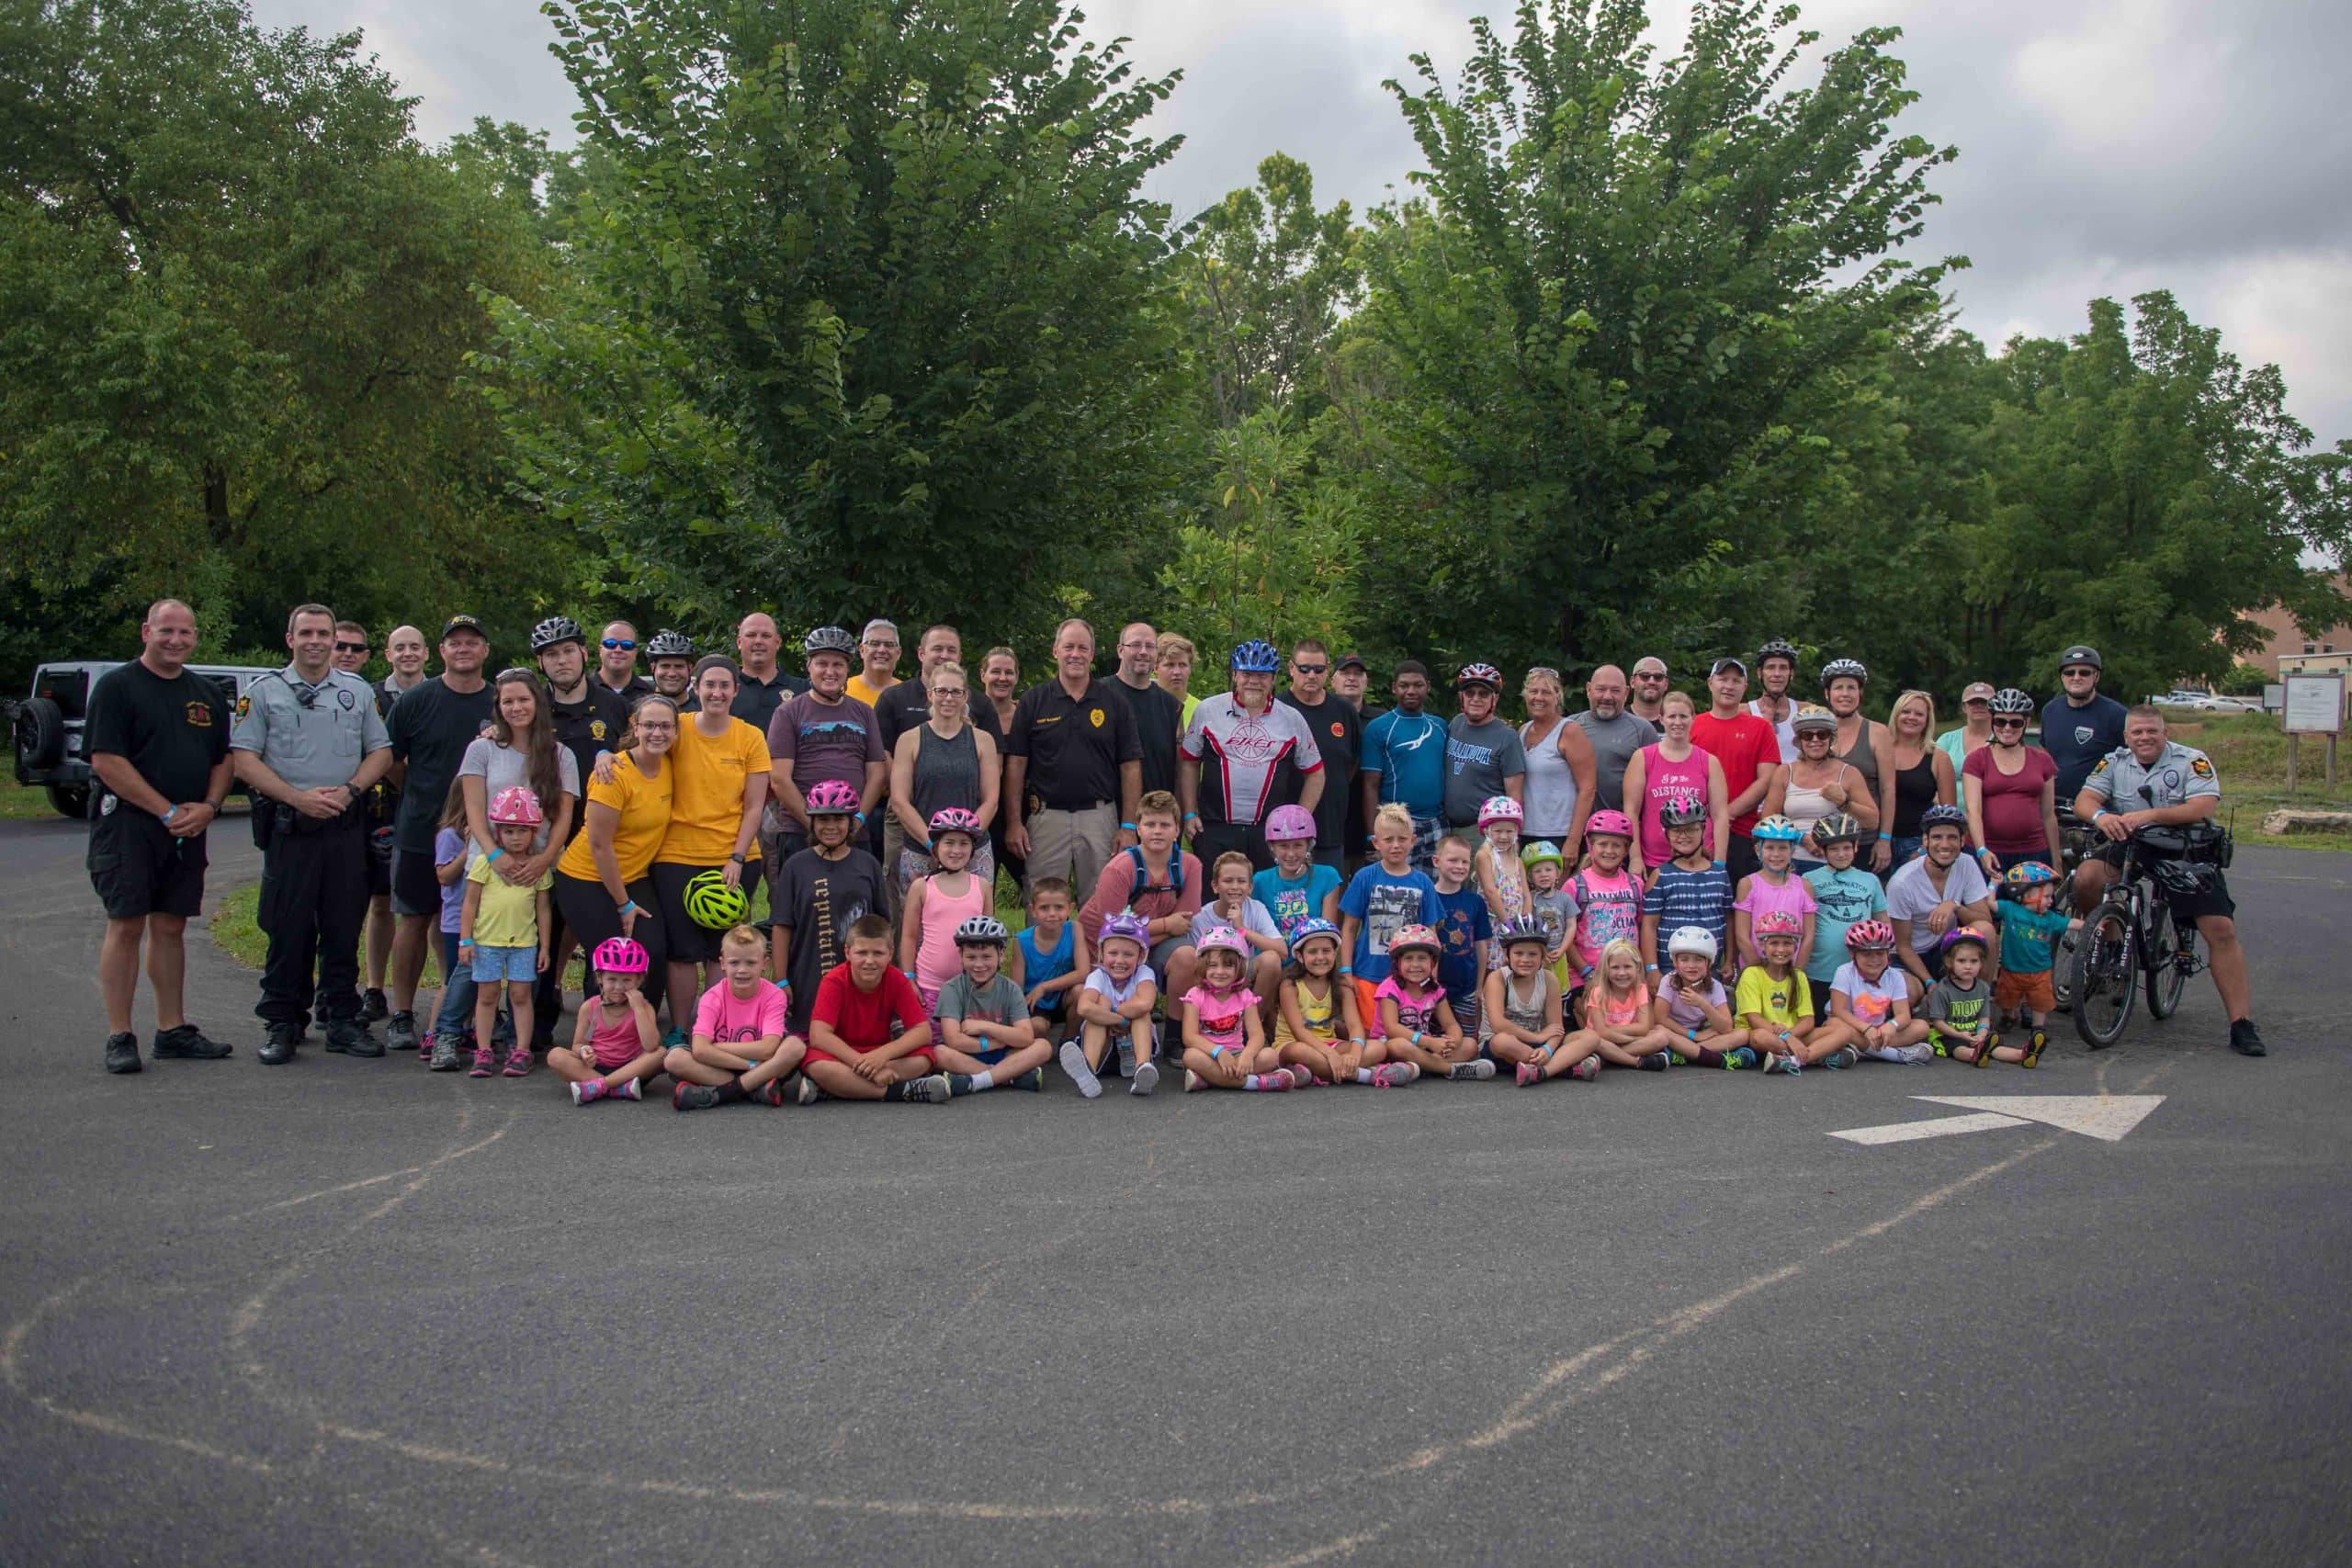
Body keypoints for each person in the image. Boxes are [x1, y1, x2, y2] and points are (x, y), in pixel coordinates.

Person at [232, 604, 394, 1065]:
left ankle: (341, 1017)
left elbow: (380, 752)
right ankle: (283, 1021)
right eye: (307, 633)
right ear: (291, 639)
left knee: (344, 925)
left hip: (345, 827)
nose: (317, 641)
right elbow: (244, 759)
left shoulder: (358, 692)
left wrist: (349, 791)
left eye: (325, 633)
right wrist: (296, 798)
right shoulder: (264, 693)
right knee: (288, 927)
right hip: (291, 829)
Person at [85, 598, 236, 1074]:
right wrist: (165, 809)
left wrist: (209, 808)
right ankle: (119, 1035)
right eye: (166, 631)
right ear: (146, 631)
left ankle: (172, 1030)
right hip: (130, 824)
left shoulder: (207, 693)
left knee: (171, 927)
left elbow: (223, 760)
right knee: (127, 923)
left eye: (185, 633)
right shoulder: (117, 687)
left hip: (188, 826)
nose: (176, 640)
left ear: (195, 637)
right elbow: (106, 760)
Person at [2071, 704, 2267, 1056]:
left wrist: (2151, 815)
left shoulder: (2191, 760)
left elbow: (2204, 806)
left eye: (2152, 731)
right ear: (2126, 736)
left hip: (2183, 847)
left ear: (2165, 733)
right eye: (2137, 732)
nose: (2144, 737)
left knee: (2220, 928)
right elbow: (2085, 800)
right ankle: (2112, 940)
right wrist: (2101, 817)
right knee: (2086, 878)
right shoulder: (2114, 761)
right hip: (2129, 843)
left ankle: (2241, 1023)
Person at [384, 616, 496, 1055]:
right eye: (455, 643)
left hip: (483, 836)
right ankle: (402, 1013)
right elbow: (391, 760)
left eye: (473, 641)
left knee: (469, 926)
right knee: (413, 920)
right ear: (442, 650)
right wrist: (419, 796)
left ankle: (461, 1015)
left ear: (486, 650)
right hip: (420, 830)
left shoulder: (499, 701)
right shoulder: (416, 700)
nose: (464, 649)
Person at [647, 657, 771, 1035]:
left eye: (724, 686)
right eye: (709, 685)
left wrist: (736, 855)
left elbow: (754, 806)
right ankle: (682, 1031)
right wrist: (605, 757)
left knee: (723, 950)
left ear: (735, 690)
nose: (716, 693)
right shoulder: (677, 729)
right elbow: (638, 753)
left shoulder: (750, 737)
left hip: (735, 860)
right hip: (676, 858)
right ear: (695, 688)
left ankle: (718, 1029)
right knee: (682, 952)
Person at [458, 670, 580, 1053]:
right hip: (488, 868)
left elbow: (563, 816)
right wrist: (494, 855)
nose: (516, 707)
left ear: (538, 704)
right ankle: (455, 1034)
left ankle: (523, 1042)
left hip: (539, 871)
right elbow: (474, 810)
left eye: (523, 700)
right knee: (477, 961)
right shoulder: (482, 750)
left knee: (533, 958)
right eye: (507, 701)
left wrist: (544, 859)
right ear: (498, 707)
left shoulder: (561, 755)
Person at [532, 615, 628, 1045]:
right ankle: (537, 1018)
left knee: (598, 931)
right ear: (541, 663)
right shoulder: (531, 706)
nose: (561, 660)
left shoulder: (612, 705)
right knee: (541, 930)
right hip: (541, 834)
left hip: (599, 837)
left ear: (584, 654)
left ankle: (603, 1027)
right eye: (551, 655)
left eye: (568, 651)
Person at [552, 693, 675, 1011]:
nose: (657, 733)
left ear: (676, 731)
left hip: (633, 875)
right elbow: (598, 845)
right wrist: (623, 904)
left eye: (665, 726)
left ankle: (639, 1028)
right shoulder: (614, 774)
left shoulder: (670, 765)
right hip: (585, 876)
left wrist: (602, 750)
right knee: (612, 956)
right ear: (635, 727)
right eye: (648, 725)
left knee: (653, 951)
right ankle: (599, 1031)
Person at [1005, 618, 1143, 897]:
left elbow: (1130, 767)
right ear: (1055, 650)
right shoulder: (1034, 700)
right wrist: (1013, 822)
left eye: (1083, 648)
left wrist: (1128, 825)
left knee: (1101, 905)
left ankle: (1094, 945)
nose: (1075, 654)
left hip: (1100, 818)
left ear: (1092, 654)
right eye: (1069, 647)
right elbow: (1016, 766)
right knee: (1042, 903)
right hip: (1046, 819)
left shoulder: (1114, 702)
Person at [876, 626, 1004, 898]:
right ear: (930, 695)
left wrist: (962, 844)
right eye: (942, 691)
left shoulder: (982, 741)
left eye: (956, 692)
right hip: (921, 848)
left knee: (972, 929)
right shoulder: (910, 740)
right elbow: (899, 800)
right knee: (917, 928)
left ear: (965, 696)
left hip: (973, 849)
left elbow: (991, 799)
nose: (948, 697)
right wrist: (934, 844)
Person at [1180, 638, 1325, 872]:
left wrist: (1299, 818)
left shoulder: (1292, 718)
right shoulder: (1208, 709)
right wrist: (1189, 812)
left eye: (1263, 675)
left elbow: (1316, 773)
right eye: (1247, 674)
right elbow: (1189, 762)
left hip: (1268, 831)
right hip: (1215, 826)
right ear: (1235, 675)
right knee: (1215, 900)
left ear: (1274, 678)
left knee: (1264, 902)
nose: (1254, 682)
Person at [768, 779, 887, 1034]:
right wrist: (780, 979)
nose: (830, 826)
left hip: (859, 975)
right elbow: (781, 925)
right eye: (823, 820)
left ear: (850, 822)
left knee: (857, 1034)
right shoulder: (796, 866)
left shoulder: (868, 865)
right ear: (811, 823)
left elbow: (883, 926)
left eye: (838, 819)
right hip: (807, 975)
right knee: (810, 1037)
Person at [766, 626, 886, 875]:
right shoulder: (788, 712)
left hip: (854, 829)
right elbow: (779, 778)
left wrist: (857, 821)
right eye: (822, 664)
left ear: (847, 670)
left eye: (838, 665)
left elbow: (876, 773)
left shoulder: (864, 712)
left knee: (857, 906)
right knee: (800, 907)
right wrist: (814, 824)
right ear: (809, 666)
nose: (830, 672)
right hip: (801, 830)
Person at [457, 786, 553, 1077]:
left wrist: (545, 947)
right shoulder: (484, 864)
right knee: (486, 996)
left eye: (522, 831)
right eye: (509, 831)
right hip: (487, 942)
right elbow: (469, 903)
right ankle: (484, 1049)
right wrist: (466, 939)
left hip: (524, 944)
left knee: (521, 995)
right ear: (498, 832)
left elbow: (543, 910)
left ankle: (521, 1049)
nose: (516, 837)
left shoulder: (538, 870)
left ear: (533, 833)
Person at [803, 915, 945, 1103]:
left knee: (925, 1058)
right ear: (847, 952)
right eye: (861, 953)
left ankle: (836, 1088)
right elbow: (819, 1036)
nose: (869, 961)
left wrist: (881, 1056)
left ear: (890, 953)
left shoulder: (897, 980)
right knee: (817, 1066)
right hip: (843, 1054)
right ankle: (902, 1091)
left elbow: (922, 1032)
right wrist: (864, 1065)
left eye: (878, 953)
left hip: (880, 1053)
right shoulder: (833, 981)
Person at [1075, 791, 1202, 1001]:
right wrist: (1165, 925)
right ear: (1139, 829)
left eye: (1165, 825)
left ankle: (1175, 1030)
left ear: (1177, 829)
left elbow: (1182, 924)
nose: (1157, 831)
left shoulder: (1190, 865)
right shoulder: (1119, 868)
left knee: (1187, 956)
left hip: (1151, 943)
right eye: (1150, 824)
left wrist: (1149, 932)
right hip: (1101, 947)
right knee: (1101, 1003)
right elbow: (1112, 929)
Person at [331, 621, 397, 1022]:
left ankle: (372, 990)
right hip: (328, 814)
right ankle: (332, 997)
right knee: (339, 909)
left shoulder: (370, 698)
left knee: (383, 902)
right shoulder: (364, 694)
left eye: (357, 648)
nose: (348, 653)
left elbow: (389, 756)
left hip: (381, 811)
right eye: (341, 646)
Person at [664, 924, 805, 1111]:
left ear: (765, 963)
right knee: (674, 1059)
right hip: (733, 1066)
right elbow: (699, 1051)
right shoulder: (711, 997)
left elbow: (768, 1048)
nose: (742, 970)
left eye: (750, 963)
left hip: (754, 1060)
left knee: (795, 1046)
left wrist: (717, 1047)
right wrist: (750, 1066)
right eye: (734, 963)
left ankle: (720, 1094)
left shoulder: (774, 995)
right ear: (722, 964)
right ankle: (756, 1087)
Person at [1338, 804, 1443, 1029]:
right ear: (1376, 842)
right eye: (1388, 840)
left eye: (1402, 839)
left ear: (1412, 840)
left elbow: (1431, 934)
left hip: (1410, 980)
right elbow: (1348, 928)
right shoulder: (1364, 877)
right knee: (1372, 1034)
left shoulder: (1423, 882)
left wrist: (1432, 975)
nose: (1396, 846)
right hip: (1368, 974)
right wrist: (1346, 970)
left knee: (1403, 1036)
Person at [1275, 918, 1408, 1088]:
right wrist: (1329, 1054)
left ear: (1334, 953)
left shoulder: (1342, 985)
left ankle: (1318, 1073)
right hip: (1295, 1044)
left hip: (1330, 1044)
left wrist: (1354, 1052)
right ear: (1300, 956)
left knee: (1378, 1048)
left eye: (1326, 951)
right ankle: (1367, 1075)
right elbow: (1298, 1030)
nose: (1320, 957)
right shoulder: (1290, 985)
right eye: (1313, 952)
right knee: (1299, 1051)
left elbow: (1355, 1027)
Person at [930, 916, 1053, 1096]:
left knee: (1043, 1046)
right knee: (939, 1053)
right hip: (966, 1054)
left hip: (1003, 1054)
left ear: (1001, 955)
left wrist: (983, 1026)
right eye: (971, 957)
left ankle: (977, 1081)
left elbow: (1026, 1037)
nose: (979, 964)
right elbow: (953, 1040)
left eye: (987, 957)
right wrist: (994, 1042)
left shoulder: (1011, 988)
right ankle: (1008, 1076)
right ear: (961, 957)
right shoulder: (951, 989)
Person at [1691, 657, 1781, 885]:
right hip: (1695, 830)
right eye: (1723, 679)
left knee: (1740, 904)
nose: (1729, 686)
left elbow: (1767, 779)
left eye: (1736, 680)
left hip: (1742, 830)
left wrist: (1728, 813)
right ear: (1710, 683)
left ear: (1746, 687)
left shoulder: (1760, 727)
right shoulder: (1692, 725)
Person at [1884, 804, 1995, 991]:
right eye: (1937, 837)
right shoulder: (1901, 882)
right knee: (1911, 993)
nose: (1945, 845)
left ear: (1962, 841)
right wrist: (1930, 983)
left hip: (1943, 950)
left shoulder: (1966, 863)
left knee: (1986, 930)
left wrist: (1955, 906)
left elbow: (1985, 919)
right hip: (1909, 956)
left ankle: (1977, 1001)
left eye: (1952, 837)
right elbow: (1903, 947)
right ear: (1925, 841)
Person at [1178, 926, 1300, 1093]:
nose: (1219, 972)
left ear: (1239, 967)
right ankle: (1254, 1083)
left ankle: (1209, 1080)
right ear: (1203, 966)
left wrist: (1248, 1055)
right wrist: (1218, 1052)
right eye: (1213, 965)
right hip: (1210, 1055)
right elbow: (1189, 1037)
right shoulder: (1195, 995)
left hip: (1239, 1055)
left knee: (1270, 1055)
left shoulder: (1244, 995)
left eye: (1228, 966)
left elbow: (1257, 1035)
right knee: (1190, 1056)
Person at [1621, 691, 1728, 879]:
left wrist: (1719, 862)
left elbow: (1720, 815)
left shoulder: (1708, 761)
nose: (1677, 722)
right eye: (1671, 716)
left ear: (1693, 718)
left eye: (1683, 716)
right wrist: (1635, 857)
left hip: (1700, 859)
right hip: (1654, 860)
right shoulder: (1644, 757)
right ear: (1661, 719)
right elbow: (1631, 812)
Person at [547, 937, 663, 1104]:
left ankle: (601, 1086)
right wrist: (584, 1052)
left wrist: (638, 1009)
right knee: (555, 1055)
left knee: (660, 1054)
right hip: (596, 1067)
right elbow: (578, 1044)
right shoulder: (590, 1007)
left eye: (627, 980)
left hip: (631, 1070)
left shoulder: (644, 1008)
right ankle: (618, 1089)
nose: (618, 987)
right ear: (600, 977)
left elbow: (651, 1046)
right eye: (612, 979)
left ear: (640, 980)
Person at [899, 807, 992, 1014]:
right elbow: (909, 936)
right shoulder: (922, 887)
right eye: (949, 843)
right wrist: (908, 978)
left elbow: (989, 940)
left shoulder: (983, 886)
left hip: (972, 987)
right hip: (929, 987)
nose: (956, 850)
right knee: (930, 1045)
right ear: (936, 847)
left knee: (969, 1042)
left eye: (964, 843)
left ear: (973, 848)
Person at [1276, 638, 1359, 870]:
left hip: (1330, 828)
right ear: (1292, 669)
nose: (1311, 675)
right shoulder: (1277, 708)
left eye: (1318, 669)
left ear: (1328, 669)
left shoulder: (1344, 711)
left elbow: (1350, 764)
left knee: (1329, 901)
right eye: (1304, 669)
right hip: (1283, 832)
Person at [1359, 660, 1447, 872]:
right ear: (1394, 687)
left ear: (1428, 686)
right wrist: (1374, 834)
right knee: (1400, 891)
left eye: (1417, 685)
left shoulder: (1440, 726)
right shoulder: (1380, 728)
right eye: (1404, 685)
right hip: (1397, 823)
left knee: (1436, 890)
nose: (1411, 691)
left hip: (1436, 822)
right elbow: (1370, 785)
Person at [1962, 688, 2061, 877]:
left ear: (2027, 723)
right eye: (2000, 721)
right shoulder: (1977, 759)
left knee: (2036, 906)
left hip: (2033, 851)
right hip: (1989, 851)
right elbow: (1973, 811)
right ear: (1992, 721)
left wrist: (2056, 860)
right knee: (1985, 906)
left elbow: (2048, 814)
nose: (2007, 728)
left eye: (2015, 722)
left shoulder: (2042, 760)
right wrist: (1982, 851)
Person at [1372, 923, 1489, 1080]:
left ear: (1432, 962)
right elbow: (1392, 1029)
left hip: (1426, 1047)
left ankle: (1423, 1065)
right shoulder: (1389, 988)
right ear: (1397, 963)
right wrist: (1429, 1042)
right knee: (1399, 1045)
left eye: (1422, 959)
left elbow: (1451, 1024)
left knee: (1470, 1044)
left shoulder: (1433, 988)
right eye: (1408, 959)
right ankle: (1449, 1069)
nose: (1415, 965)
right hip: (1392, 1044)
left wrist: (1452, 1041)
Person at [1063, 911, 1161, 1098]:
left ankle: (1143, 1068)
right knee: (1100, 1004)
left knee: (1140, 1012)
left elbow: (1146, 1003)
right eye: (1113, 953)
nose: (1119, 961)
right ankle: (1088, 1071)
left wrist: (1110, 1013)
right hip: (1104, 1046)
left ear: (1141, 957)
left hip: (1134, 1047)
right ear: (1101, 953)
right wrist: (1120, 1020)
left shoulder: (1144, 973)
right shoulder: (1097, 976)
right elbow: (1084, 1007)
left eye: (1128, 955)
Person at [1800, 814, 1885, 1022]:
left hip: (1860, 974)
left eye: (1846, 848)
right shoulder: (1809, 880)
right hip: (1819, 971)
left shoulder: (1870, 880)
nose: (1841, 854)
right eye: (1834, 849)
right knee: (1822, 1026)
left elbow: (1883, 923)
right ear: (1822, 850)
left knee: (1859, 1023)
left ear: (1856, 847)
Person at [1489, 917, 1595, 1085]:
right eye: (1518, 953)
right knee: (1501, 1041)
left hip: (1539, 1044)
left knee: (1591, 1037)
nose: (1525, 959)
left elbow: (1556, 1027)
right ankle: (1563, 1068)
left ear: (1543, 956)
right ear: (1507, 955)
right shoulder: (1497, 978)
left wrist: (1548, 1048)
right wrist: (1537, 1038)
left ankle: (1541, 1071)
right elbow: (1498, 1024)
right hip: (1509, 1047)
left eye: (1533, 954)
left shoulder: (1549, 979)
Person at [1770, 704, 1878, 870]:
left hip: (1834, 865)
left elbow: (1872, 821)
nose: (1815, 740)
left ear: (1831, 739)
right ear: (1799, 741)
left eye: (1822, 734)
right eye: (1807, 735)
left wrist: (1844, 802)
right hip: (1791, 862)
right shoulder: (1785, 772)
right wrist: (1800, 838)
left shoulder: (1849, 773)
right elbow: (1769, 819)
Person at [1638, 795, 1730, 978]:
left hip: (1709, 970)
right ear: (1666, 833)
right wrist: (1652, 969)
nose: (1683, 836)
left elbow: (1729, 919)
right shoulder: (1660, 875)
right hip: (1669, 970)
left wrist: (1730, 960)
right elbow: (1649, 925)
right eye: (1676, 831)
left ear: (1703, 829)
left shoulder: (1719, 874)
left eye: (1691, 830)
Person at [1925, 925, 2042, 1067]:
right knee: (1957, 1047)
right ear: (1949, 962)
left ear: (1981, 963)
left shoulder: (1983, 988)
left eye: (1974, 961)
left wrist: (1981, 1033)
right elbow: (1938, 1023)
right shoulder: (1942, 990)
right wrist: (1960, 1035)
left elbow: (1983, 1017)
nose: (1968, 966)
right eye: (1961, 961)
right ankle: (1974, 1055)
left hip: (1975, 1032)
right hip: (1951, 1034)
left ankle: (2023, 1055)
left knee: (1993, 1044)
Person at [1819, 918, 1933, 1065]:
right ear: (1853, 954)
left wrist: (1892, 1025)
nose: (1874, 960)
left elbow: (1904, 1015)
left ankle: (1859, 1050)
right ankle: (1895, 1055)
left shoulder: (1895, 976)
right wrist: (1866, 1029)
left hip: (1878, 1030)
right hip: (1850, 1026)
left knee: (1921, 1027)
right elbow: (1838, 1011)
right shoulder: (1844, 972)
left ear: (1888, 954)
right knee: (1835, 1025)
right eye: (1867, 954)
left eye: (1880, 954)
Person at [1820, 658, 1896, 873]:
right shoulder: (1815, 732)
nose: (1845, 694)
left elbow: (1888, 790)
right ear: (1828, 693)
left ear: (1860, 693)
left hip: (1864, 838)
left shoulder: (1877, 732)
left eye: (1851, 688)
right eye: (1839, 688)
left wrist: (1884, 839)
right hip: (1823, 839)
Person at [1990, 862, 2073, 1060]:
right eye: (2046, 896)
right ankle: (2009, 1016)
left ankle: (2038, 1029)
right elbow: (1990, 904)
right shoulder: (2010, 909)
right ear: (2024, 895)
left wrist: (2091, 924)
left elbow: (2070, 923)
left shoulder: (2050, 918)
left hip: (2040, 970)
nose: (2050, 901)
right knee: (2007, 997)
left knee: (2040, 1001)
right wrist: (1993, 885)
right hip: (2011, 968)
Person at [1518, 666, 1597, 867]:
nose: (1538, 697)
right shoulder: (1522, 731)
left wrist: (1573, 840)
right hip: (1525, 832)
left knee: (1555, 897)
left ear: (1557, 697)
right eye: (1533, 691)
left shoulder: (1569, 731)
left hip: (1559, 835)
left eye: (1546, 692)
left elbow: (1588, 788)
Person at [1191, 850, 1286, 1010]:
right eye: (1228, 881)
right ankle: (1210, 1018)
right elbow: (1196, 966)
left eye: (1241, 881)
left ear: (1250, 887)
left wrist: (1243, 930)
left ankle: (1252, 1025)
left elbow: (1282, 951)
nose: (1235, 887)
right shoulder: (1200, 917)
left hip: (1245, 973)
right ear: (1215, 886)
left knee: (1271, 960)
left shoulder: (1256, 909)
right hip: (1214, 975)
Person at [1441, 663, 1524, 840]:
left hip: (1484, 830)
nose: (1476, 699)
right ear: (1461, 697)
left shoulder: (1507, 737)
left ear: (1494, 699)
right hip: (1447, 828)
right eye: (1470, 693)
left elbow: (1515, 796)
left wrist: (1510, 836)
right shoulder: (1456, 723)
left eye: (1483, 694)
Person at [2041, 644, 2130, 807]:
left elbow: (2133, 761)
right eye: (2069, 672)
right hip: (2054, 806)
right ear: (2062, 677)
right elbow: (2046, 754)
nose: (2076, 677)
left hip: (2098, 810)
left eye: (2084, 672)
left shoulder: (2117, 715)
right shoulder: (2050, 710)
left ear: (2096, 676)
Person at [1653, 926, 1751, 1067]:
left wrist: (1702, 1004)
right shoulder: (1668, 981)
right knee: (1660, 1032)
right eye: (1684, 959)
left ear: (1708, 963)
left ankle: (1684, 1054)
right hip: (1677, 1033)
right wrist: (1692, 1035)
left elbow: (1727, 1027)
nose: (1691, 965)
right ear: (1675, 962)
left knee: (1742, 1034)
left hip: (1703, 1036)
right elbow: (1660, 1019)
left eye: (1698, 960)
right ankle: (1713, 1058)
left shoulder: (1715, 986)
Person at [1106, 622, 1185, 797]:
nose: (1143, 652)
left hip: (1157, 816)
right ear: (1120, 650)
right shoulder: (1098, 695)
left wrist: (1183, 814)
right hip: (1109, 814)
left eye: (1150, 646)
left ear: (1156, 653)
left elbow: (1180, 770)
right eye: (1135, 645)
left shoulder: (1172, 706)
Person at [1730, 815, 1817, 973]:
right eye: (1770, 847)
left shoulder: (1804, 886)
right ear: (1758, 849)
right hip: (1755, 972)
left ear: (1792, 850)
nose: (1776, 854)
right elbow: (1742, 937)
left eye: (1783, 848)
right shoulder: (1748, 884)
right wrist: (1760, 975)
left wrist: (1797, 973)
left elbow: (1808, 937)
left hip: (1791, 971)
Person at [1566, 810, 1642, 988]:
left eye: (1616, 845)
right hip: (1586, 976)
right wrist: (1586, 973)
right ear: (1590, 845)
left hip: (1627, 975)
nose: (1609, 851)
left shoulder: (1635, 884)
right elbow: (1564, 937)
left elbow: (1641, 927)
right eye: (1603, 844)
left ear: (1626, 850)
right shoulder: (1575, 885)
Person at [1883, 689, 1958, 872]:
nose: (1912, 717)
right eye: (1906, 711)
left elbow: (1948, 814)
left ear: (1927, 720)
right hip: (1879, 841)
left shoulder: (1939, 757)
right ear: (1896, 714)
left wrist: (1924, 849)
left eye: (1919, 714)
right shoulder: (1880, 750)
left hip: (1917, 843)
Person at [1576, 938, 1677, 1071]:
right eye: (1615, 967)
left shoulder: (1641, 989)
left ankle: (1608, 1058)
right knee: (1593, 1041)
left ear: (1637, 967)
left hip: (1626, 1040)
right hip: (1605, 1041)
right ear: (1606, 969)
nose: (1622, 973)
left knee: (1661, 1037)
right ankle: (1636, 1061)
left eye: (1627, 966)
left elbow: (1644, 1028)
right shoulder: (1598, 992)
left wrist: (1615, 1032)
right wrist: (1629, 1036)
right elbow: (1601, 1032)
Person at [1571, 665, 1659, 814]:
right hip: (1571, 827)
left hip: (1621, 830)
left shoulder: (1643, 730)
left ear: (1626, 693)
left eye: (1615, 691)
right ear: (1588, 689)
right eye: (1601, 689)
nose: (1607, 697)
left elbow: (1656, 786)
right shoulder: (1570, 727)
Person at [1736, 910, 1816, 1075]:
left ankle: (1792, 1060)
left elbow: (1808, 1020)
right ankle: (1817, 1055)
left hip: (1791, 1033)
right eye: (1774, 943)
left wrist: (1790, 1035)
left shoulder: (1799, 976)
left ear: (1795, 945)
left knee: (1840, 1030)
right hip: (1766, 1034)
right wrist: (1787, 1037)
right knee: (1758, 1037)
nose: (1781, 949)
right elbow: (1754, 1019)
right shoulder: (1752, 974)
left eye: (1787, 943)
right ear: (1762, 945)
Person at [1253, 804, 1342, 943]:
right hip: (1274, 958)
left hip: (1312, 957)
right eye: (1283, 846)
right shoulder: (1259, 881)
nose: (1291, 853)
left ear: (1309, 845)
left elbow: (1326, 933)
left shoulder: (1327, 877)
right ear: (1272, 846)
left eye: (1298, 845)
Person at [1012, 877, 1085, 1036]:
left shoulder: (1074, 929)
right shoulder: (1022, 940)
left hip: (1063, 997)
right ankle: (1036, 1053)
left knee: (1081, 992)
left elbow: (1083, 972)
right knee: (1037, 1027)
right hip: (1035, 1002)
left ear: (1070, 909)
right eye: (1044, 908)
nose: (1052, 914)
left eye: (1059, 907)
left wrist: (1044, 987)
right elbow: (1016, 988)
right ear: (1033, 910)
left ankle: (1068, 1043)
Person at [1472, 796, 1532, 970]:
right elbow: (1490, 892)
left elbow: (1526, 895)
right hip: (1494, 924)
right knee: (1493, 968)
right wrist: (1507, 923)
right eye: (1498, 831)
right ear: (1487, 831)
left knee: (1512, 968)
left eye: (1509, 831)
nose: (1504, 836)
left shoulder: (1517, 861)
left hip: (1516, 925)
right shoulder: (1485, 857)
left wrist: (1524, 921)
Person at [729, 612, 806, 736]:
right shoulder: (723, 691)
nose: (758, 641)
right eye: (751, 635)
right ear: (739, 642)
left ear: (777, 642)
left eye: (766, 636)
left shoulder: (804, 690)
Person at [1747, 639, 1801, 756]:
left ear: (1791, 674)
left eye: (1783, 668)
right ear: (1760, 673)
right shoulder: (1744, 712)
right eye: (1771, 668)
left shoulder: (1803, 711)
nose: (1777, 674)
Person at [1937, 682, 1995, 769]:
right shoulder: (1947, 741)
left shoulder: (2005, 739)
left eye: (1984, 702)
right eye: (1973, 702)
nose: (1979, 705)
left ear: (1994, 706)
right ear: (1964, 707)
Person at [847, 618, 899, 706]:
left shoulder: (908, 695)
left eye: (889, 645)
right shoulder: (844, 691)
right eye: (874, 644)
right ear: (862, 650)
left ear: (898, 653)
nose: (882, 650)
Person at [594, 622, 651, 699]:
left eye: (626, 645)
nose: (618, 650)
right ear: (600, 650)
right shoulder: (581, 690)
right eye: (611, 643)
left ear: (635, 653)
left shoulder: (648, 695)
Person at [1154, 634, 1201, 728]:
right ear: (1155, 667)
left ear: (1190, 668)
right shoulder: (1142, 706)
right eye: (1170, 665)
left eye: (1183, 665)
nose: (1177, 672)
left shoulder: (1201, 710)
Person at [645, 630, 696, 702]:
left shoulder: (703, 710)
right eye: (665, 666)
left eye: (679, 666)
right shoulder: (636, 710)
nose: (672, 674)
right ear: (653, 667)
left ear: (690, 668)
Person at [381, 625, 429, 700]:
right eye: (400, 649)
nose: (408, 653)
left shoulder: (441, 695)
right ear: (388, 655)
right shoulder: (371, 694)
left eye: (415, 648)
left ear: (426, 653)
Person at [1627, 657, 1671, 727]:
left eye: (1658, 676)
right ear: (1632, 682)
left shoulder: (1677, 724)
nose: (1651, 682)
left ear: (1666, 684)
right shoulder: (1617, 721)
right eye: (1645, 676)